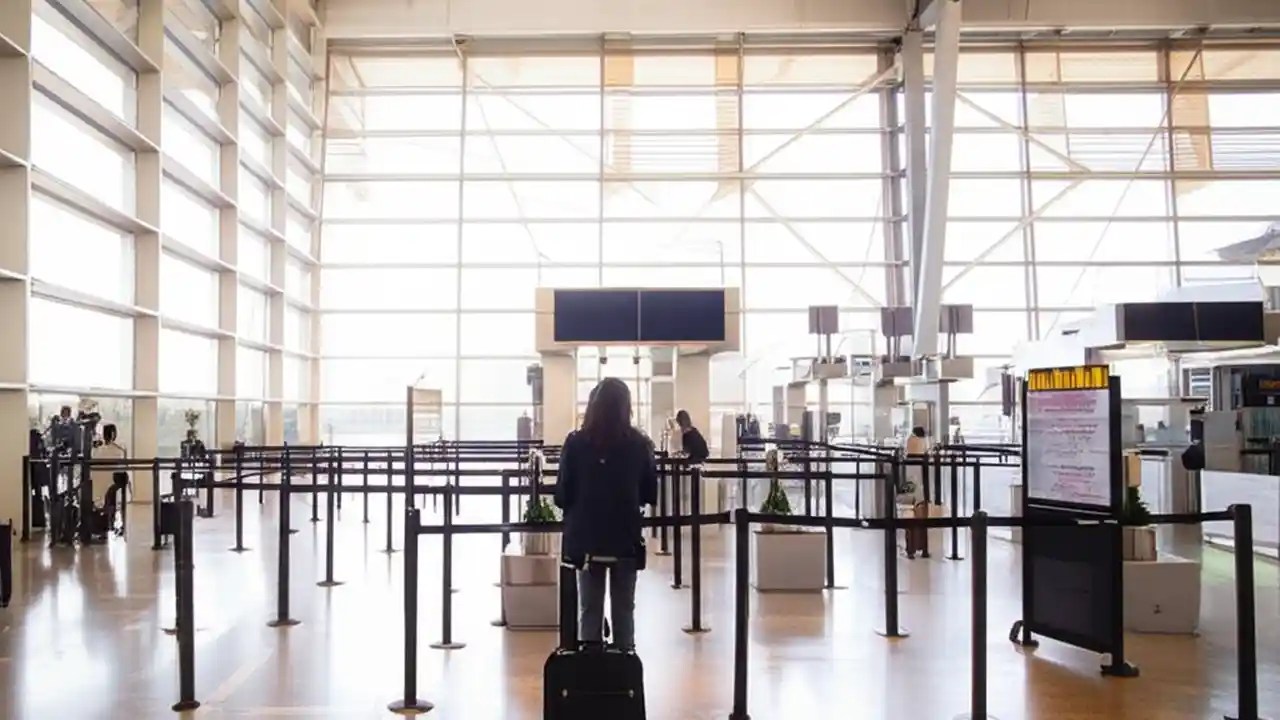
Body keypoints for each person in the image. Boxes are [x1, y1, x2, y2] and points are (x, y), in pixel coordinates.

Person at [554, 377, 657, 651]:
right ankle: (625, 675)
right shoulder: (639, 444)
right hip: (625, 540)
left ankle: (591, 672)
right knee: (624, 611)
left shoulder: (575, 443)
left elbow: (562, 496)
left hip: (585, 542)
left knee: (589, 610)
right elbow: (650, 494)